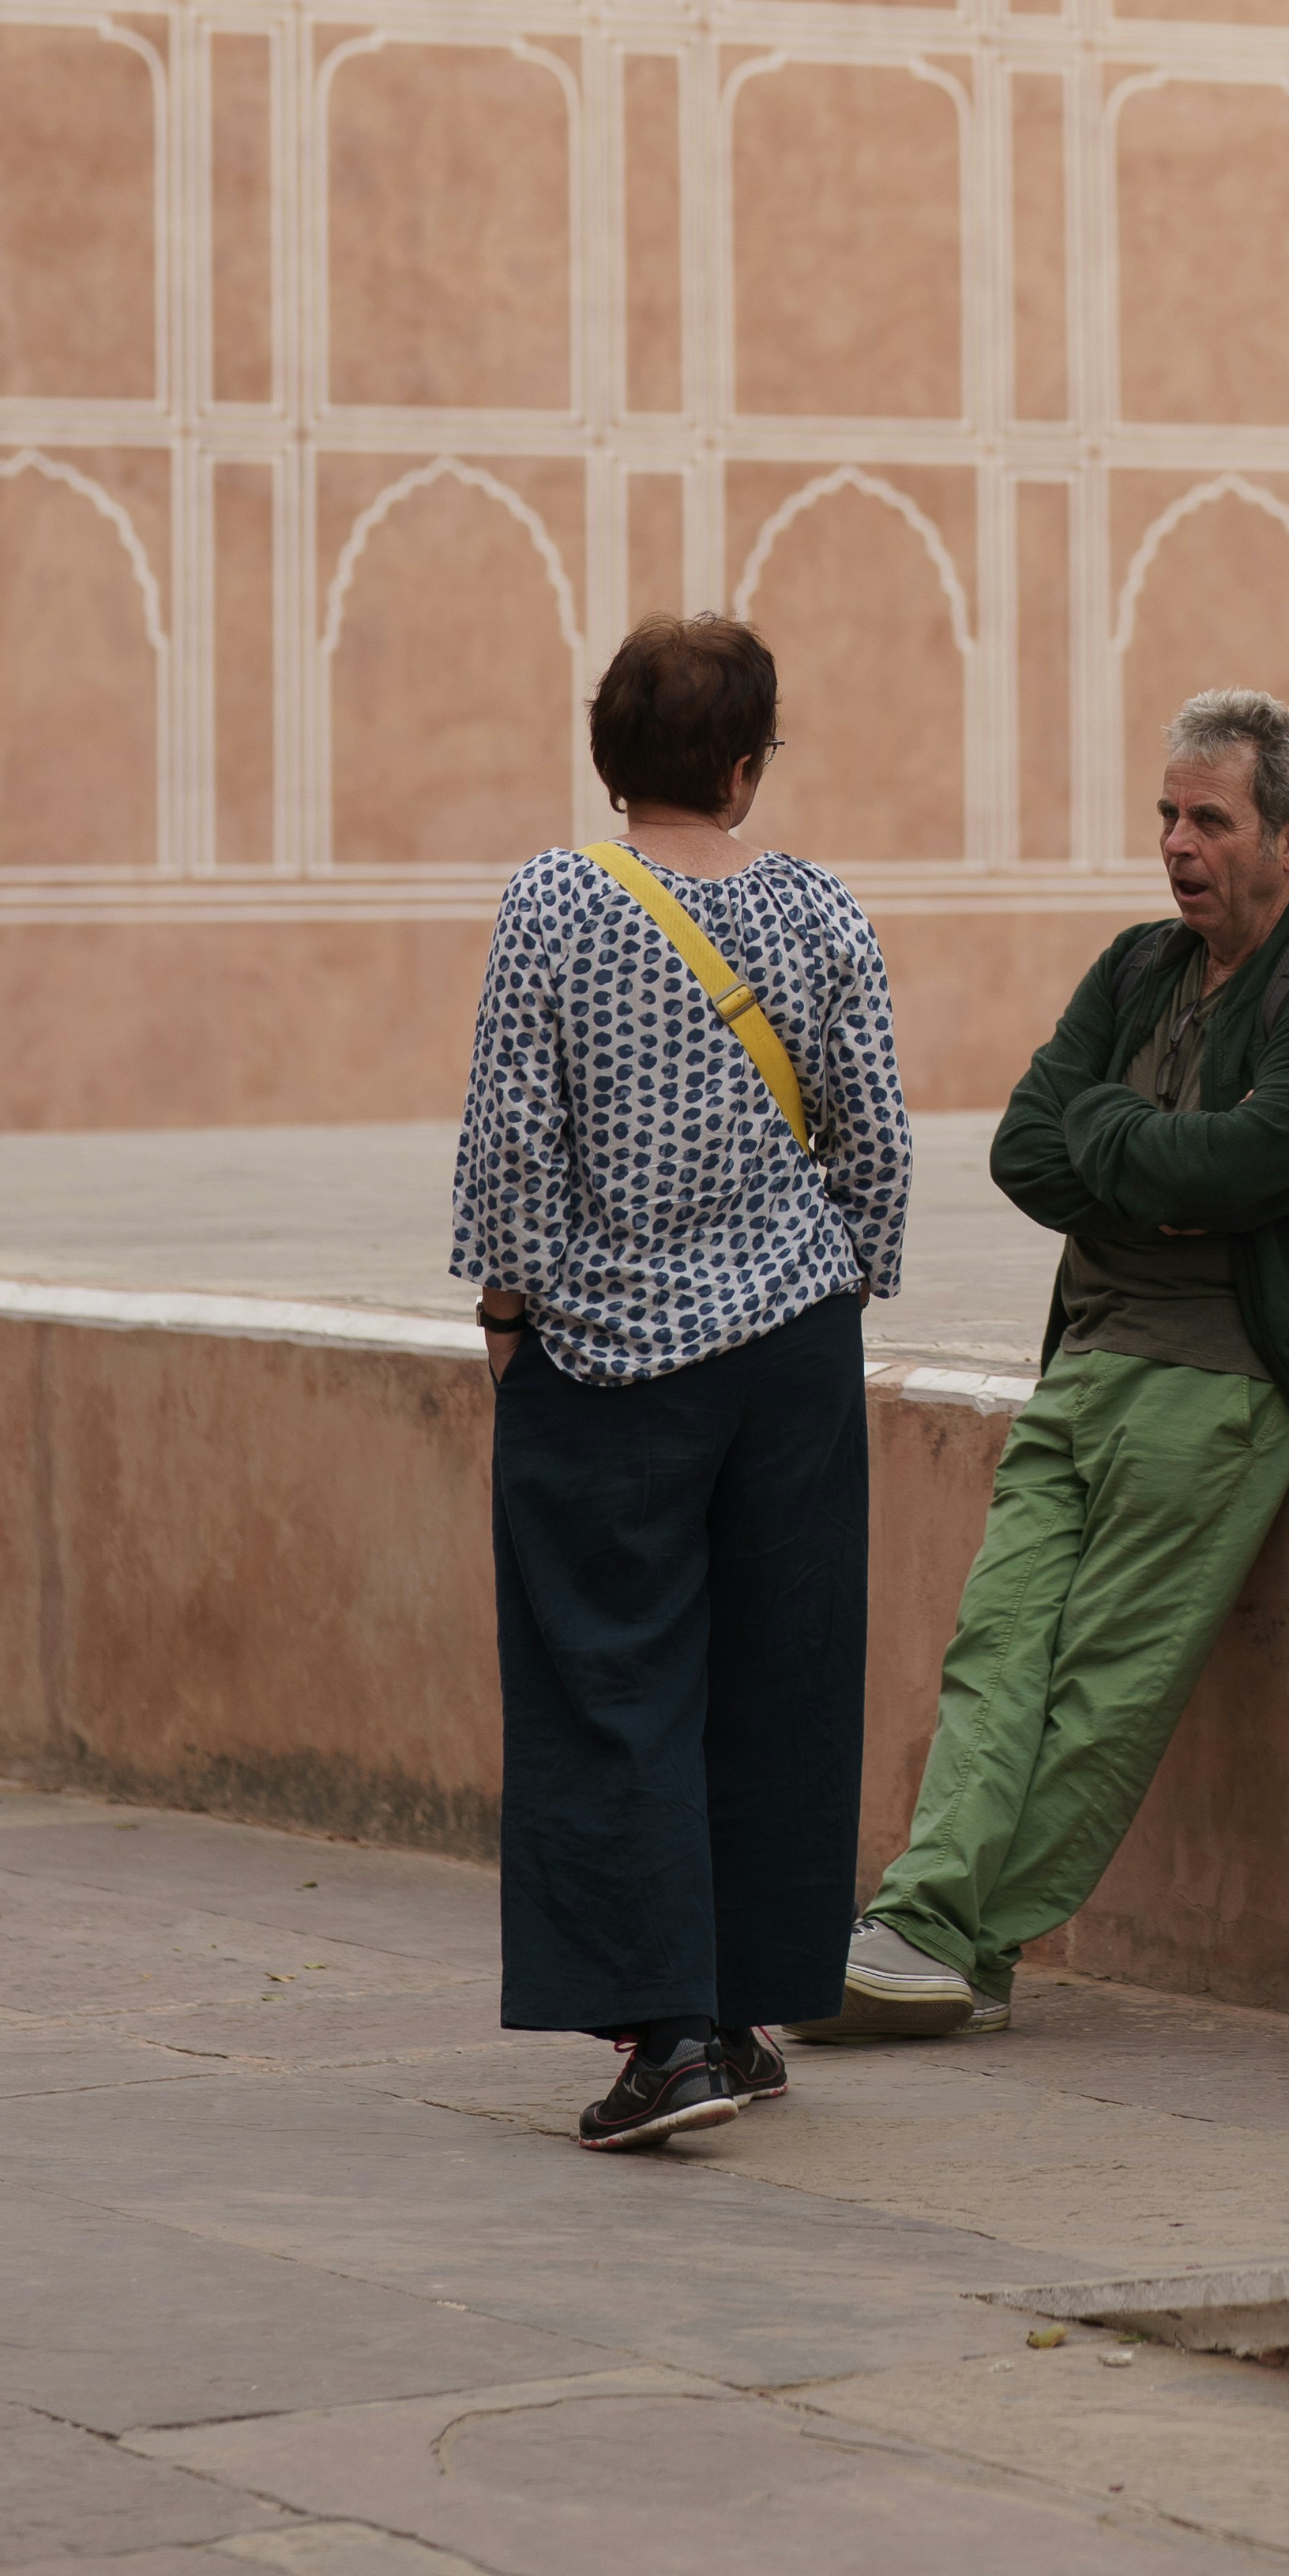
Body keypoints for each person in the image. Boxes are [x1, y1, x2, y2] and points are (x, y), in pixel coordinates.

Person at [829, 688, 1289, 2038]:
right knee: (996, 1650)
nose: (1176, 843)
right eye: (1166, 813)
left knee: (1108, 1680)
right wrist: (1155, 1167)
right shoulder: (1136, 969)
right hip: (1086, 1358)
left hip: (1225, 1381)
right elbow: (1023, 1148)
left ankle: (949, 1937)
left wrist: (1123, 1145)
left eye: (1208, 819)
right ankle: (926, 1932)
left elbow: (1236, 1163)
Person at [455, 607, 912, 2150]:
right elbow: (874, 1134)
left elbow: (512, 1133)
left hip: (608, 1352)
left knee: (613, 1679)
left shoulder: (555, 901)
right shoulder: (817, 906)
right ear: (742, 765)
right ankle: (744, 2007)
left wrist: (508, 1309)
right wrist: (836, 1279)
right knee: (780, 1678)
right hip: (792, 1346)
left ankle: (667, 2036)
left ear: (611, 756)